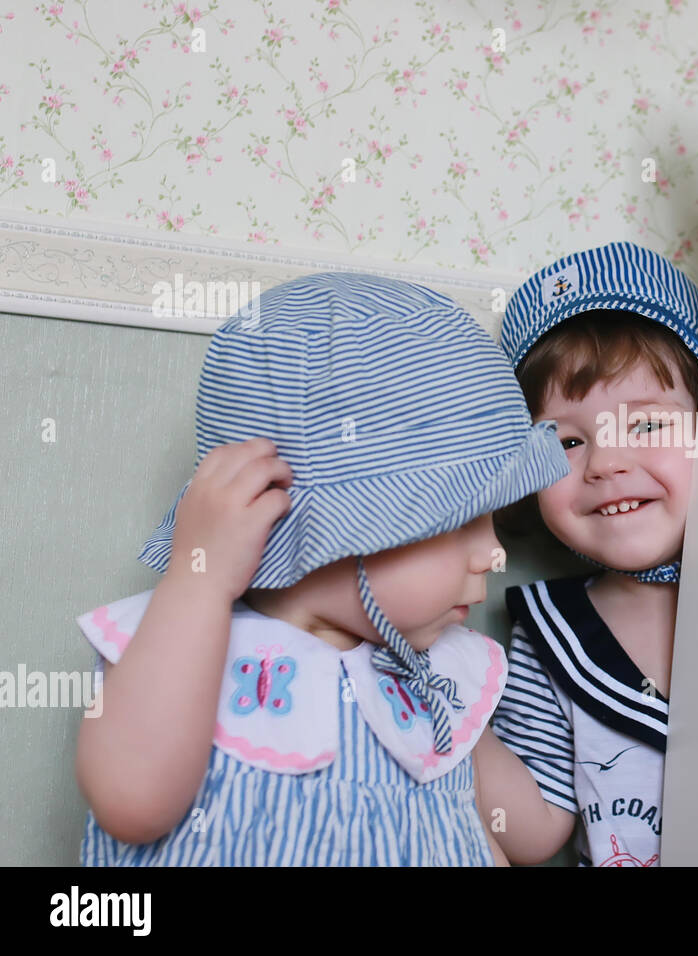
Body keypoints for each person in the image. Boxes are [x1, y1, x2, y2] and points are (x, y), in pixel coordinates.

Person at [73, 272, 569, 866]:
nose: (495, 554)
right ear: (339, 527)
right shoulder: (181, 647)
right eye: (458, 521)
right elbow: (133, 803)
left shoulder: (437, 677)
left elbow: (532, 835)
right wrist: (199, 580)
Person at [474, 241, 698, 867]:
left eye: (648, 425)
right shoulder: (553, 634)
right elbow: (535, 832)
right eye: (569, 440)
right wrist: (447, 712)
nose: (606, 463)